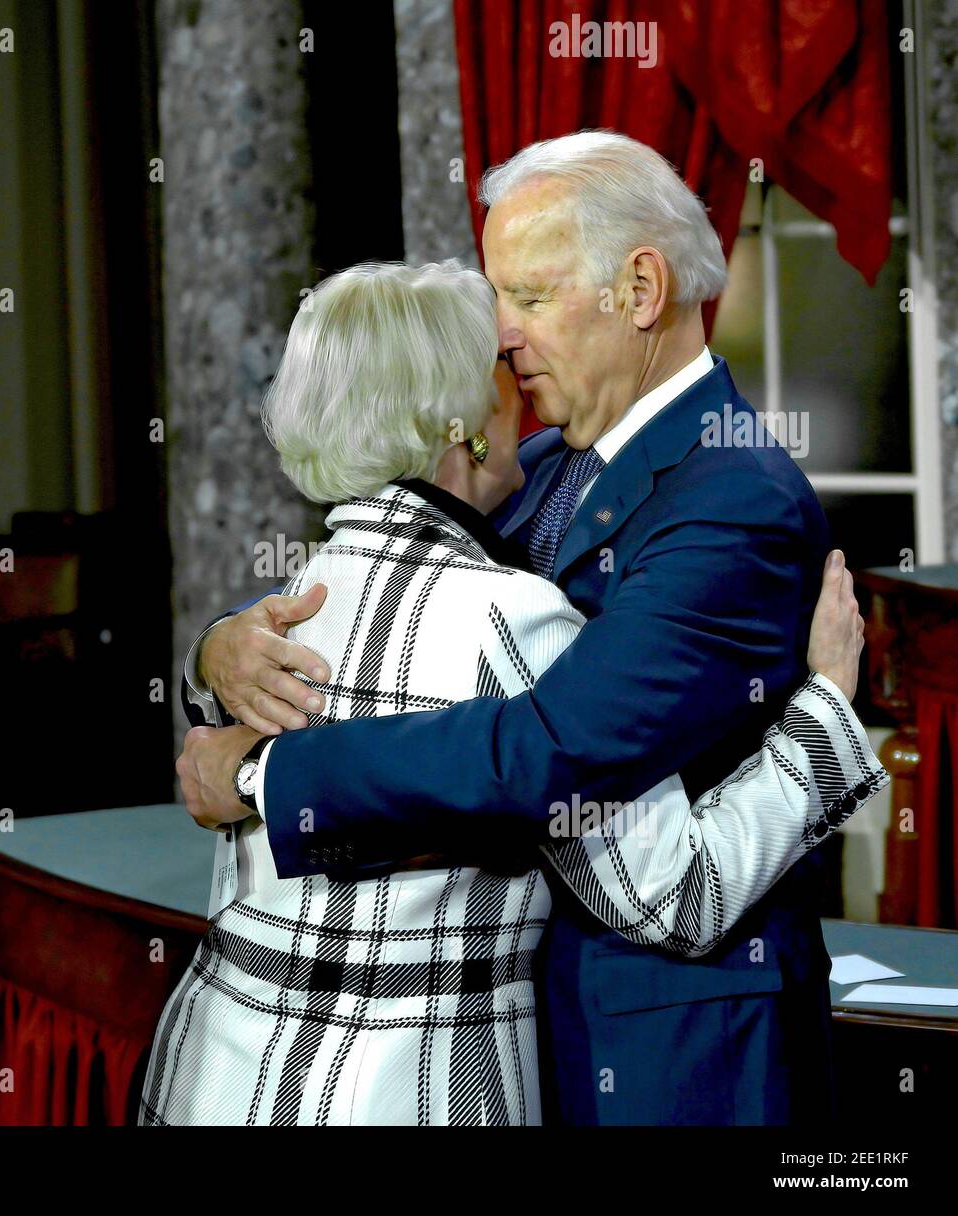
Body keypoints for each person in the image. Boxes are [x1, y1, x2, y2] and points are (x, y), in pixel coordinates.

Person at [175, 132, 883, 1125]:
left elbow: (556, 746)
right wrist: (219, 647)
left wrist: (265, 776)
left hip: (666, 1052)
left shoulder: (734, 499)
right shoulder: (531, 461)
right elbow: (389, 608)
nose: (499, 337)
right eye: (495, 298)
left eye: (529, 299)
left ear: (640, 290)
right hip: (518, 1037)